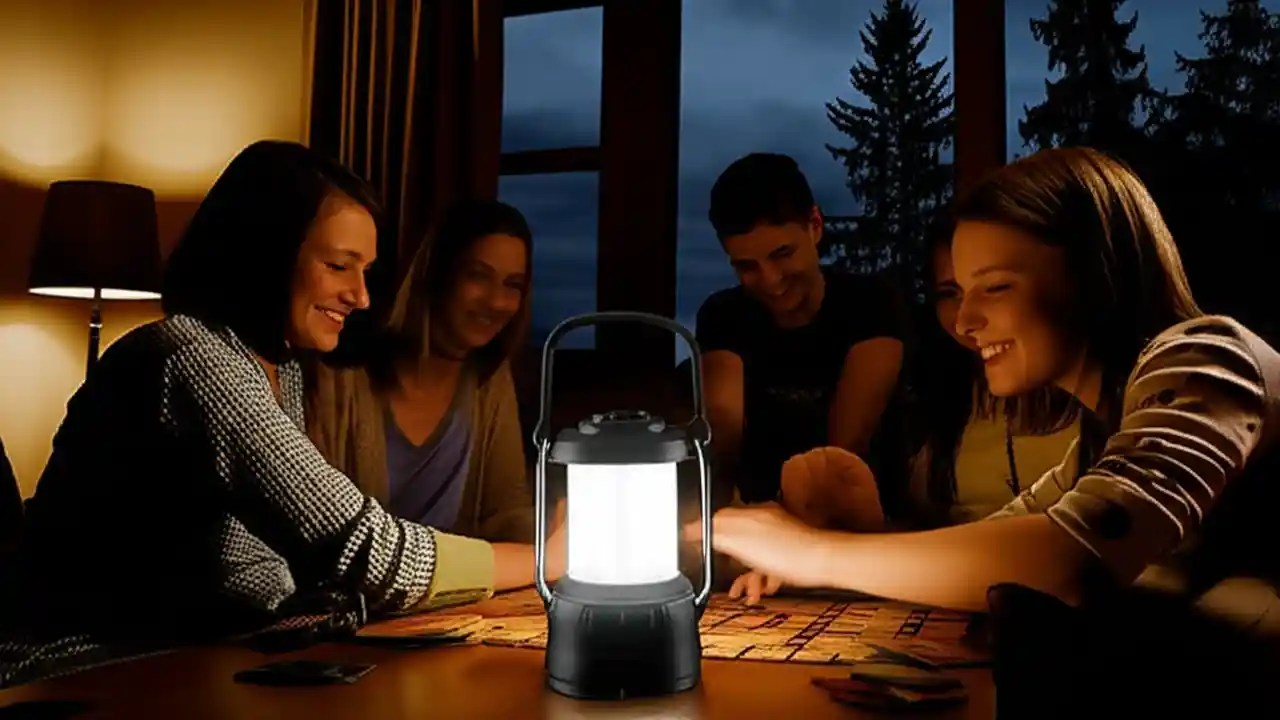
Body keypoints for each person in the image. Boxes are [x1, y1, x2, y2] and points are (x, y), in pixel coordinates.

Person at [693, 147, 1280, 712]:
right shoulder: (1100, 437)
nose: (967, 322)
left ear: (1090, 273)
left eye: (994, 287)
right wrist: (810, 559)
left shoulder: (1206, 355)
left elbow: (1065, 560)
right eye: (959, 292)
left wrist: (811, 551)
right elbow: (1007, 543)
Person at [0, 141, 511, 688]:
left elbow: (266, 567)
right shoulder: (194, 359)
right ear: (266, 254)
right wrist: (551, 558)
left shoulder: (277, 366)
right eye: (339, 266)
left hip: (194, 660)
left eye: (366, 271)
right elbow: (369, 551)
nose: (361, 297)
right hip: (79, 670)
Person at [305, 198, 563, 594]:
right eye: (478, 276)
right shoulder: (341, 376)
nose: (496, 302)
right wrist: (548, 558)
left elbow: (503, 514)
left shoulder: (488, 381)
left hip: (447, 611)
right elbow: (331, 538)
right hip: (351, 613)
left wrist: (559, 526)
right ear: (435, 275)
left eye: (512, 285)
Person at [696, 152, 907, 521]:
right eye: (747, 266)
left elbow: (844, 452)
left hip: (864, 515)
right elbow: (722, 435)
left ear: (815, 225)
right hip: (754, 517)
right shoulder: (724, 315)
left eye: (782, 254)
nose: (771, 280)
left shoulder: (871, 303)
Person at [904, 227, 1079, 527]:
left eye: (994, 288)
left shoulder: (1126, 400)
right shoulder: (942, 399)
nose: (964, 320)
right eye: (949, 293)